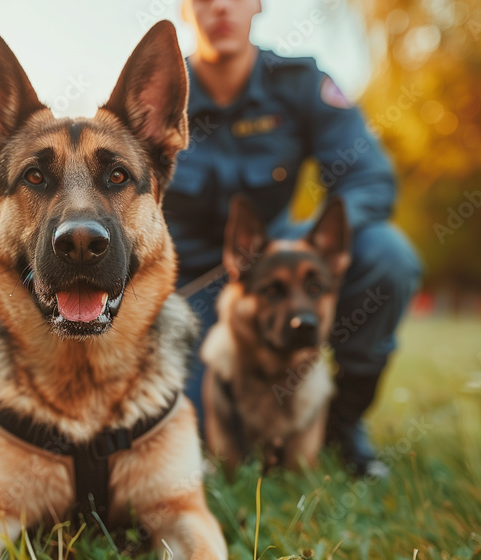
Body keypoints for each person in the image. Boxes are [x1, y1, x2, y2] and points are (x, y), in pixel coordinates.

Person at [168, 0, 421, 476]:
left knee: (387, 255)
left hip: (281, 268)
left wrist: (311, 249)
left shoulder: (300, 82)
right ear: (185, 8)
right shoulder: (156, 91)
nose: (220, 6)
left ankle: (341, 425)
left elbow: (369, 177)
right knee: (192, 433)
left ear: (258, 5)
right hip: (187, 288)